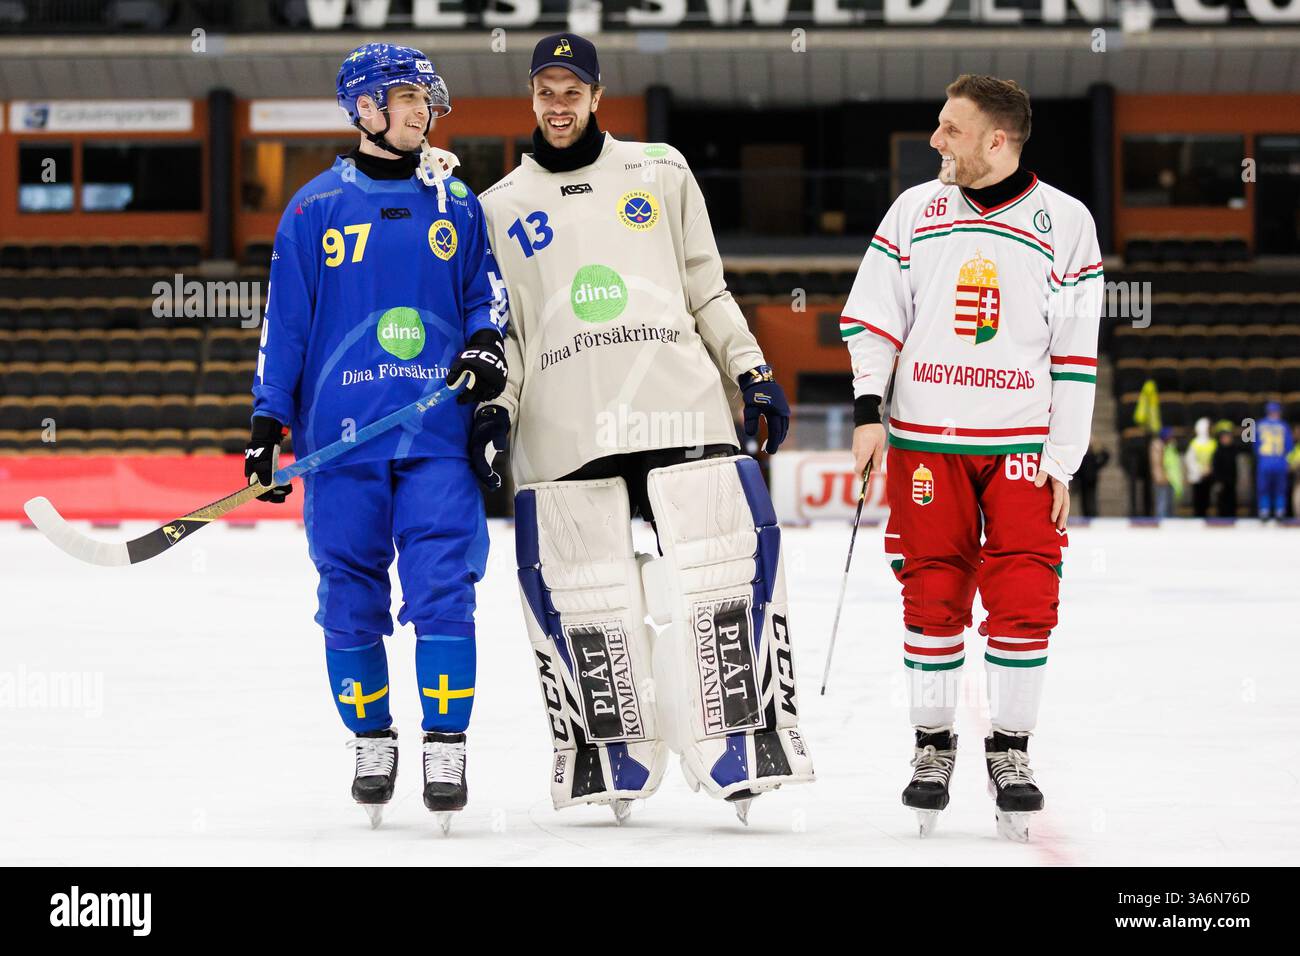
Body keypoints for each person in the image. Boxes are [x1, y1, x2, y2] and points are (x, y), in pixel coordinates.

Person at [471, 33, 814, 824]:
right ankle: (611, 749)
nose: (559, 105)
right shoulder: (497, 207)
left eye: (572, 90)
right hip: (565, 429)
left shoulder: (660, 169)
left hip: (677, 407)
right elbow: (507, 336)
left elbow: (707, 288)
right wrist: (497, 409)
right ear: (532, 98)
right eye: (545, 90)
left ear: (597, 97)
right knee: (587, 596)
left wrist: (752, 370)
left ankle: (742, 737)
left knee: (719, 574)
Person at [245, 43, 508, 831]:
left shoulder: (456, 202)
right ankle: (372, 740)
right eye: (404, 97)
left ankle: (445, 745)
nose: (421, 110)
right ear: (363, 108)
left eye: (425, 98)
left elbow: (483, 300)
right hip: (341, 443)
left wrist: (486, 347)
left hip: (435, 437)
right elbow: (284, 326)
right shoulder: (311, 209)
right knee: (348, 600)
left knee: (444, 590)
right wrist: (267, 421)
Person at [843, 75, 1102, 840]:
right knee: (931, 599)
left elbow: (1077, 352)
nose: (935, 142)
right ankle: (931, 749)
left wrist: (1065, 460)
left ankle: (1011, 752)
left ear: (999, 140)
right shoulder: (914, 211)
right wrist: (868, 410)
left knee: (1025, 598)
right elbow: (875, 316)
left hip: (1022, 446)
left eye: (950, 130)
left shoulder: (1068, 223)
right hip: (928, 444)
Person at [1254, 401, 1293, 520]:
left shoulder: (1258, 425)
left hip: (1264, 461)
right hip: (1280, 461)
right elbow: (1289, 446)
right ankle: (1279, 511)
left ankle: (1264, 511)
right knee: (1280, 489)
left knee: (1263, 488)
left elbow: (1254, 444)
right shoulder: (1284, 425)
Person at [1184, 417, 1216, 518]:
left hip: (1209, 475)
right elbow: (1189, 459)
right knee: (1198, 500)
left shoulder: (1213, 442)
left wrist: (1210, 468)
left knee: (1207, 500)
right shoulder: (1195, 443)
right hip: (1197, 476)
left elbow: (1216, 458)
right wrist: (1199, 470)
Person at [1153, 426, 1183, 518]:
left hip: (1171, 479)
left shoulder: (1170, 447)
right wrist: (1161, 476)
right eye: (1170, 435)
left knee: (1170, 504)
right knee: (1162, 504)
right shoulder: (1158, 445)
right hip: (1163, 478)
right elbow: (1157, 463)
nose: (1172, 437)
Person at [1075, 440, 1109, 517]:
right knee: (1084, 499)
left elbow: (1106, 456)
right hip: (1082, 480)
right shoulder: (1082, 455)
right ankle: (1086, 514)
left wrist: (1100, 447)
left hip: (1092, 480)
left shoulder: (1093, 454)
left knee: (1091, 497)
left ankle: (1093, 513)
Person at [1212, 422, 1239, 518]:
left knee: (1232, 502)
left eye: (1228, 437)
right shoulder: (1218, 451)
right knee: (1222, 502)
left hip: (1231, 481)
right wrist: (1218, 481)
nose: (1226, 439)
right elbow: (1215, 467)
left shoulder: (1233, 450)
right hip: (1221, 482)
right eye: (1224, 437)